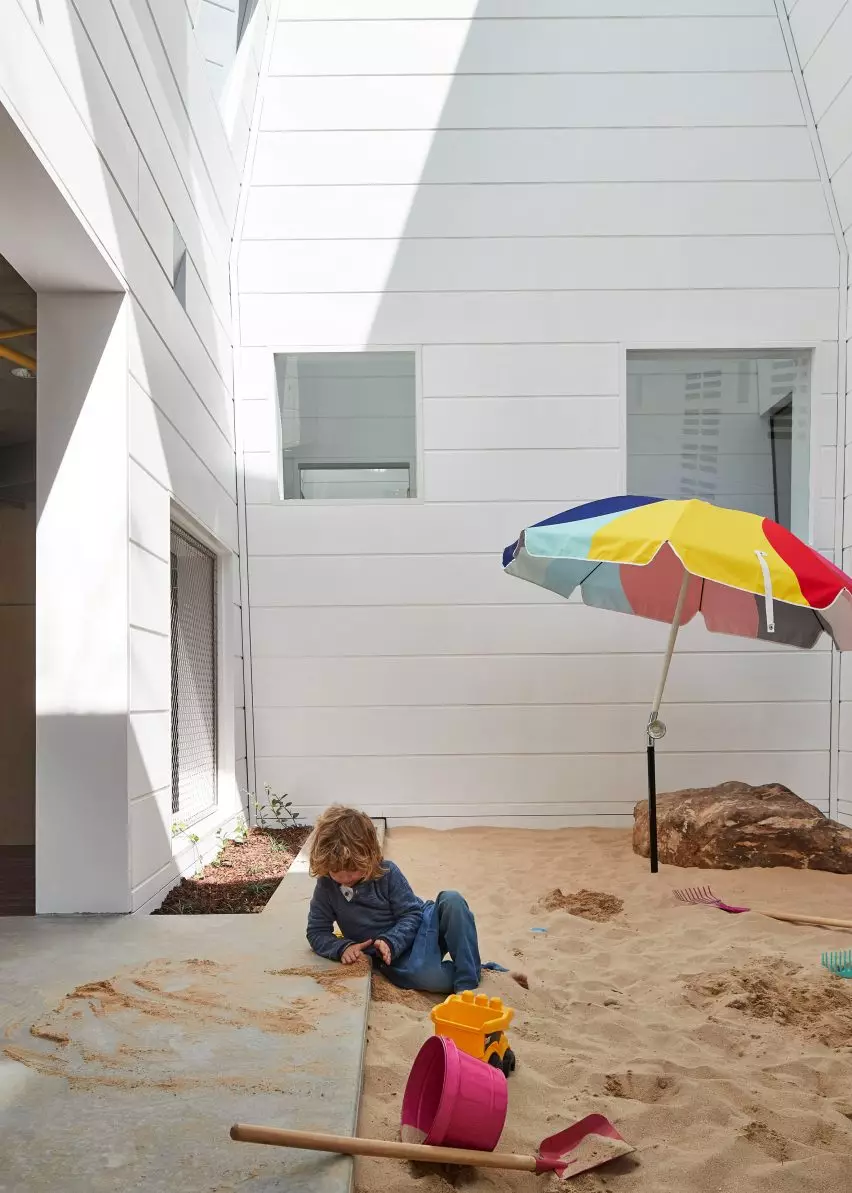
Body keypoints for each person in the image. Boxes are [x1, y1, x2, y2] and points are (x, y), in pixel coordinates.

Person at [305, 804, 498, 994]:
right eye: (336, 871)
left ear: (370, 856)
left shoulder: (387, 873)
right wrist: (343, 948)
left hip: (423, 926)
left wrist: (390, 940)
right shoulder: (326, 886)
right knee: (428, 978)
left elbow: (412, 914)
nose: (346, 877)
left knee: (452, 901)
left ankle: (467, 985)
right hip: (399, 958)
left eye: (354, 869)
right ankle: (475, 970)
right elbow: (317, 931)